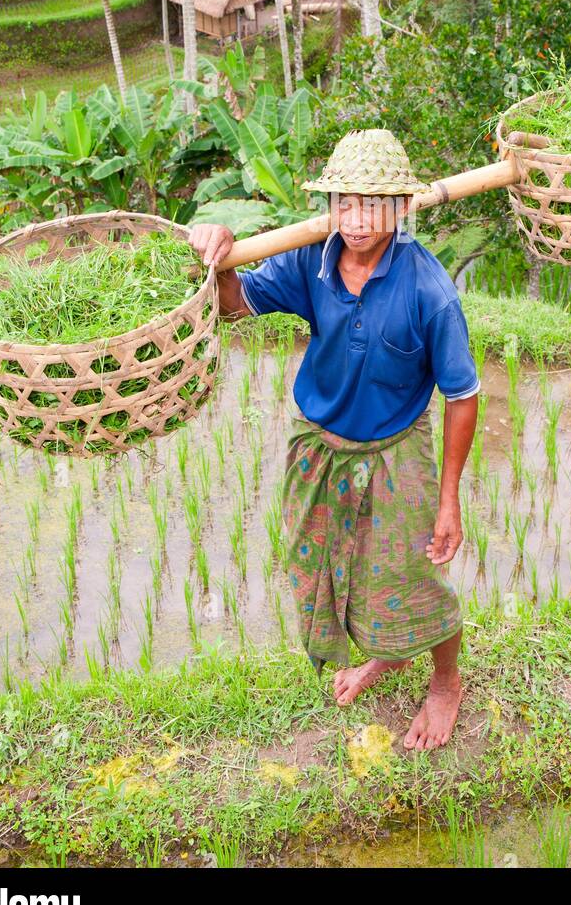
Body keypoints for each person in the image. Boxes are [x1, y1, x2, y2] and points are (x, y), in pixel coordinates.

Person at [189, 128, 480, 750]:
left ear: (402, 208)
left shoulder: (431, 293)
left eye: (372, 204)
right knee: (324, 566)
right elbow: (232, 303)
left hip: (396, 450)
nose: (354, 219)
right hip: (318, 442)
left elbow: (462, 395)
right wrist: (212, 254)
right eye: (343, 202)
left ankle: (446, 681)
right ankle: (385, 654)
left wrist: (449, 497)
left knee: (408, 575)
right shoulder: (309, 260)